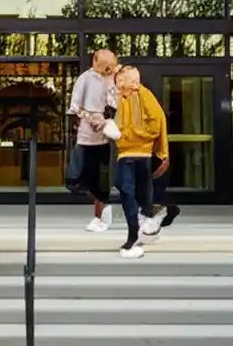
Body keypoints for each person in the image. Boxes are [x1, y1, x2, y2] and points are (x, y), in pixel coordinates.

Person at [110, 65, 166, 259]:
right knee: (126, 190)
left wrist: (131, 135)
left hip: (142, 153)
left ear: (131, 79)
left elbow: (157, 123)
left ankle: (147, 220)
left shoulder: (144, 95)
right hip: (124, 153)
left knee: (139, 194)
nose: (117, 85)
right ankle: (133, 230)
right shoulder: (119, 98)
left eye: (120, 81)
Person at [67, 49, 120, 232]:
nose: (109, 68)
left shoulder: (111, 79)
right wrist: (89, 117)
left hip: (104, 136)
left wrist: (106, 119)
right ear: (95, 61)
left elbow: (116, 103)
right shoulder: (85, 78)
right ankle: (102, 208)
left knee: (100, 180)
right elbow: (74, 106)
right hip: (85, 137)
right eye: (107, 64)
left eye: (111, 65)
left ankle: (100, 215)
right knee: (74, 179)